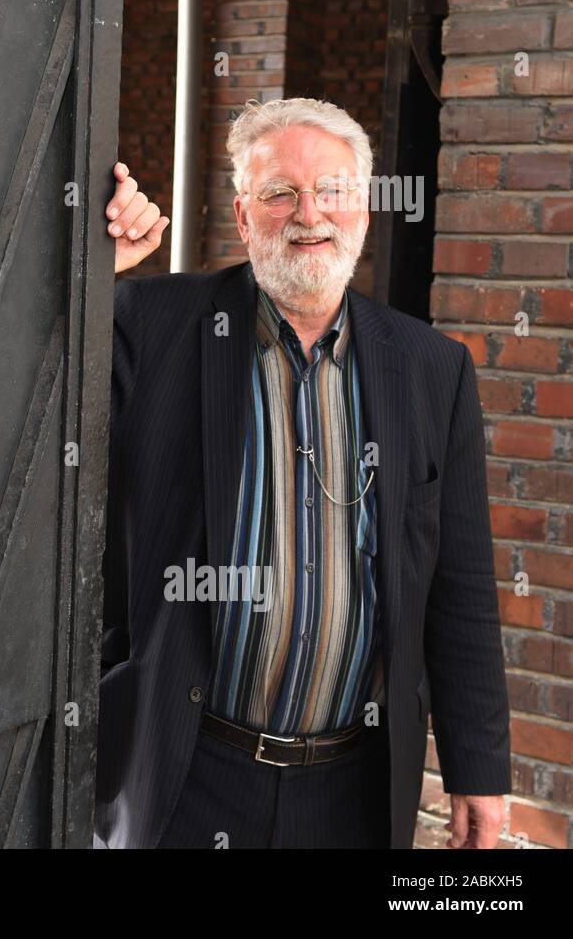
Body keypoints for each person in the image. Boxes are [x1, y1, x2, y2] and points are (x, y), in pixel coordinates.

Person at [95, 97, 509, 849]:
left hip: (351, 793)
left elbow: (463, 587)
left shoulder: (431, 369)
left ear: (364, 211)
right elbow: (26, 420)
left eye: (333, 191)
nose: (308, 213)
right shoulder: (146, 326)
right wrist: (87, 280)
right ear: (245, 216)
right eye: (280, 191)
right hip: (186, 774)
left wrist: (479, 768)